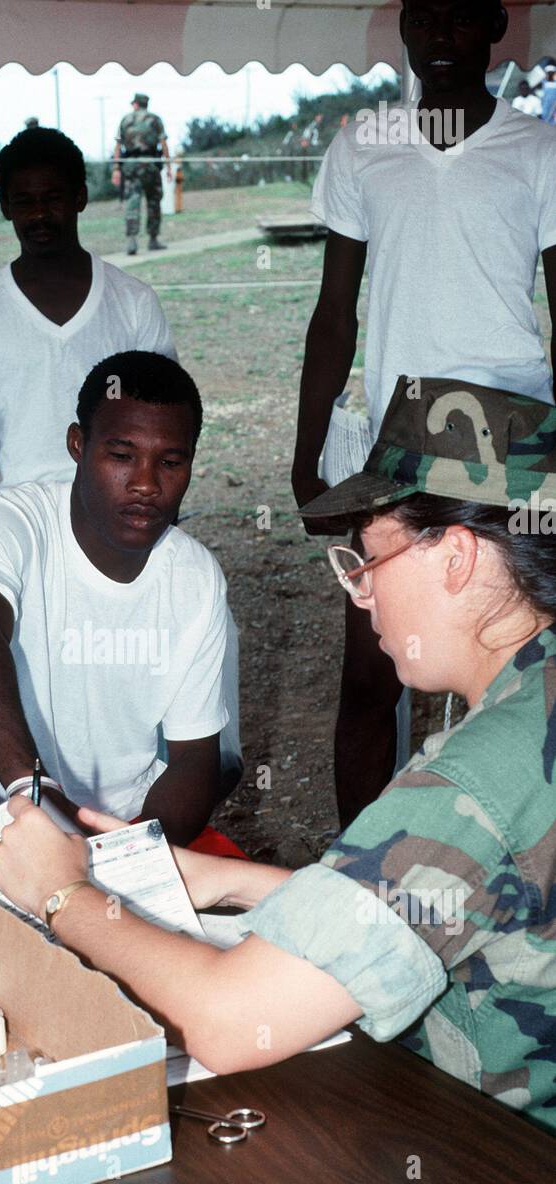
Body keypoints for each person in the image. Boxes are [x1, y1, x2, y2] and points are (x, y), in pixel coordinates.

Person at [0, 377, 556, 1134]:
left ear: (452, 557)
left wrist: (63, 896)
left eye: (368, 558)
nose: (360, 593)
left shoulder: (476, 778)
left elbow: (229, 1017)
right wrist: (231, 879)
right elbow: (461, 894)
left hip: (500, 1171)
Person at [292, 0, 556, 827]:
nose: (440, 40)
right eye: (424, 20)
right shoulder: (361, 146)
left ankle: (515, 861)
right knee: (373, 672)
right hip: (399, 443)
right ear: (403, 29)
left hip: (514, 432)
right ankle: (357, 872)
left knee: (523, 658)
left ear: (492, 29)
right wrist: (307, 458)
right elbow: (335, 312)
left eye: (459, 20)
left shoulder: (538, 147)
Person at [0, 352, 234, 847]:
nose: (145, 483)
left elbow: (195, 758)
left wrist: (133, 857)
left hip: (124, 829)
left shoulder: (196, 576)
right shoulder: (9, 520)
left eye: (170, 462)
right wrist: (37, 795)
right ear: (78, 444)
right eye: (121, 456)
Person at [0, 127, 175, 516]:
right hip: (23, 518)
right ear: (5, 206)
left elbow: (166, 423)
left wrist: (159, 519)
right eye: (24, 201)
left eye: (52, 199)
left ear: (79, 197)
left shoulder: (135, 302)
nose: (38, 215)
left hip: (120, 513)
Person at [112, 94, 171, 256]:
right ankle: (153, 239)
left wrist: (116, 168)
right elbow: (164, 144)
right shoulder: (155, 119)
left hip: (130, 166)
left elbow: (117, 146)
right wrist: (168, 167)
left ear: (136, 104)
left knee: (132, 201)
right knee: (154, 201)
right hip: (151, 164)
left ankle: (132, 240)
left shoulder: (125, 120)